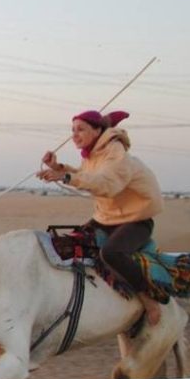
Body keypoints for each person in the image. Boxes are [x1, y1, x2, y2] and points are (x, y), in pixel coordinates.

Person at [37, 110, 165, 325]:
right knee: (68, 243)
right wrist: (58, 168)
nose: (74, 135)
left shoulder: (115, 153)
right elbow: (86, 174)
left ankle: (149, 298)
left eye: (81, 129)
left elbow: (106, 184)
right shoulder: (93, 154)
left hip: (135, 219)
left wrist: (65, 176)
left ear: (98, 131)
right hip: (107, 217)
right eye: (73, 130)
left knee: (111, 253)